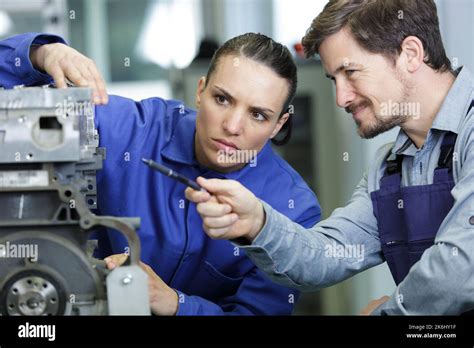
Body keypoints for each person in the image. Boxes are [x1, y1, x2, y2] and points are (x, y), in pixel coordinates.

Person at [0, 32, 322, 315]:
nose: (232, 126)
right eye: (222, 99)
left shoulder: (293, 211)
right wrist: (40, 54)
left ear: (278, 124)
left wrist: (175, 304)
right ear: (200, 91)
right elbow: (10, 105)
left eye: (258, 115)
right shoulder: (129, 131)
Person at [186, 0, 474, 315]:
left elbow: (460, 268)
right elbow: (325, 256)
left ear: (411, 54)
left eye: (350, 72)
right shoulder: (388, 168)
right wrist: (258, 223)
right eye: (333, 79)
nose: (341, 98)